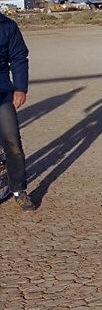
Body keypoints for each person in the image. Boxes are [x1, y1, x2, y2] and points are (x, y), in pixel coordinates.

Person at [0, 12, 36, 210]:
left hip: (2, 93)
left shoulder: (7, 25)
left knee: (12, 141)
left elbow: (18, 57)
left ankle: (18, 191)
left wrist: (20, 88)